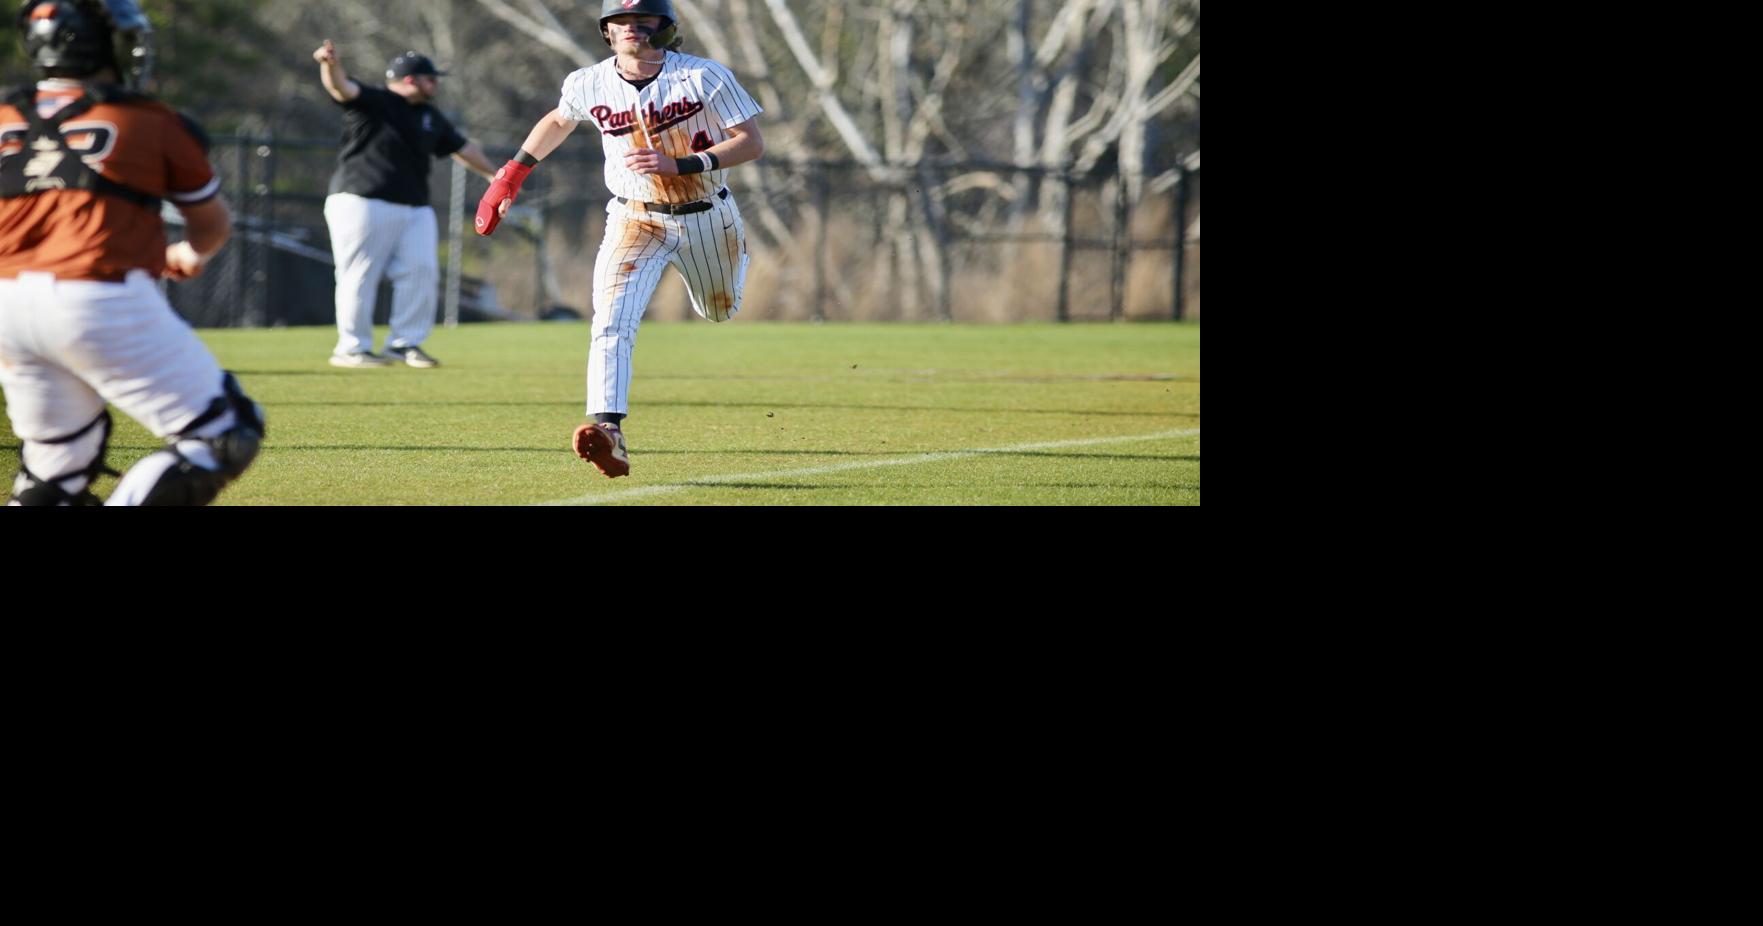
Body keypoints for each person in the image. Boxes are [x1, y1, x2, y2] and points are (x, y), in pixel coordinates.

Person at [475, 0, 763, 478]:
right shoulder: (588, 81)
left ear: (665, 28)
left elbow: (751, 141)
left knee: (720, 309)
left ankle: (734, 268)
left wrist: (682, 165)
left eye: (642, 20)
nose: (631, 28)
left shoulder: (702, 76)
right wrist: (512, 174)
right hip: (635, 217)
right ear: (606, 31)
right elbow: (560, 119)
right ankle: (609, 429)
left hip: (707, 214)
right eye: (620, 21)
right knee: (611, 321)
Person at [0, 0, 263, 506]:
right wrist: (190, 254)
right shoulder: (147, 118)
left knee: (55, 468)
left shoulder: (5, 114)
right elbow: (211, 224)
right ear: (103, 45)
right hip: (96, 297)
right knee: (224, 435)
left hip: (7, 306)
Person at [312, 39, 499, 368]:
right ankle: (352, 348)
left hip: (414, 207)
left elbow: (463, 148)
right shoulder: (375, 101)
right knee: (359, 275)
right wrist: (330, 64)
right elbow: (340, 87)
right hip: (361, 200)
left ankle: (404, 344)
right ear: (410, 79)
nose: (435, 83)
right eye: (431, 78)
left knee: (421, 272)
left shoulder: (429, 115)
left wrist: (496, 177)